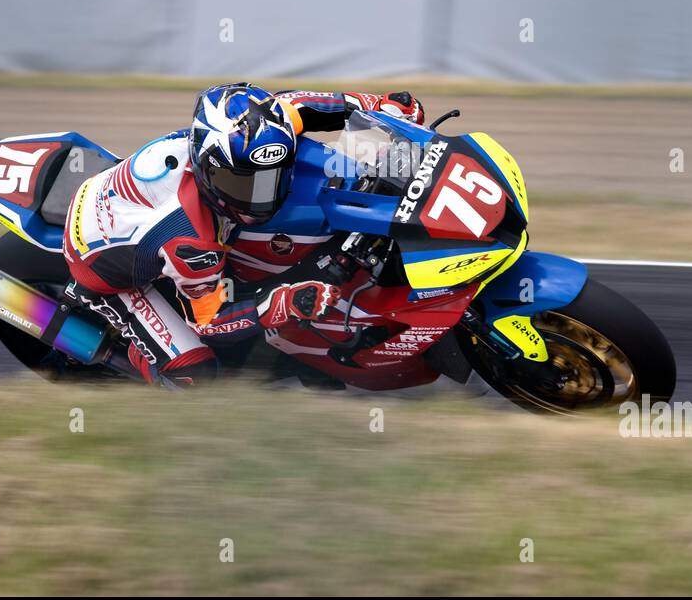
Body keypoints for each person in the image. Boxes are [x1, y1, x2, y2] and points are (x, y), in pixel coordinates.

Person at [60, 83, 425, 384]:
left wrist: (385, 108)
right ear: (208, 168)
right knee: (197, 376)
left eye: (271, 178)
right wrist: (276, 305)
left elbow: (331, 104)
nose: (261, 198)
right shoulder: (192, 240)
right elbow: (209, 319)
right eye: (244, 184)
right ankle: (136, 361)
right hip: (100, 265)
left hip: (132, 204)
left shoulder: (268, 121)